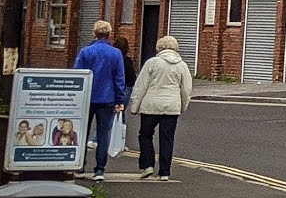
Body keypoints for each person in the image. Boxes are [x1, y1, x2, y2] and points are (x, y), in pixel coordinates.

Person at [127, 34, 194, 181]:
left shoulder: (152, 63)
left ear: (159, 48)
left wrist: (134, 106)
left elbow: (141, 86)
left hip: (151, 105)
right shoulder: (182, 65)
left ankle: (147, 165)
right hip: (171, 107)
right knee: (167, 139)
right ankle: (165, 172)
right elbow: (186, 89)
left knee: (145, 135)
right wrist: (182, 106)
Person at [71, 19, 127, 181]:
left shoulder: (85, 52)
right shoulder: (116, 54)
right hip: (107, 98)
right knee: (103, 134)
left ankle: (79, 167)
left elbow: (77, 76)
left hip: (86, 99)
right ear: (109, 34)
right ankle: (99, 170)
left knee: (81, 133)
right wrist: (119, 100)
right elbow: (119, 79)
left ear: (94, 34)